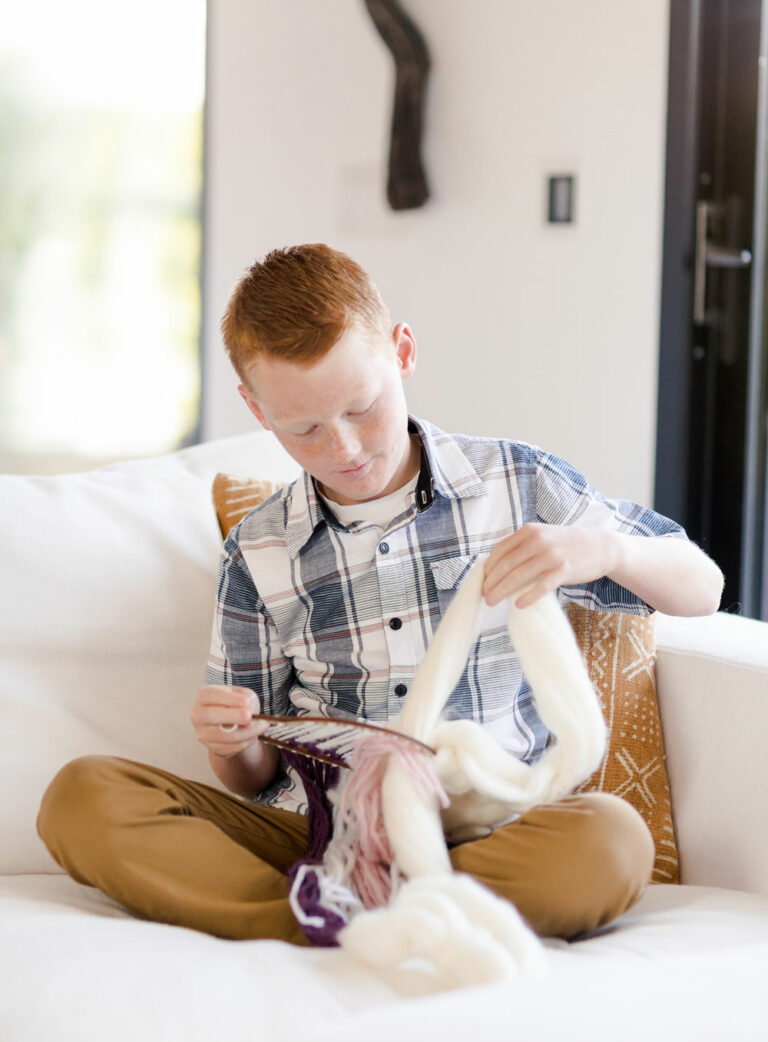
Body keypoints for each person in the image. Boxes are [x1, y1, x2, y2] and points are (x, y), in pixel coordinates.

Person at [38, 244, 723, 947]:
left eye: (362, 408)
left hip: (487, 827)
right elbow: (251, 777)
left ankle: (345, 917)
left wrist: (605, 549)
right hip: (314, 828)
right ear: (255, 408)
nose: (344, 448)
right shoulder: (259, 550)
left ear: (402, 352)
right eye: (303, 428)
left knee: (610, 840)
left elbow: (703, 587)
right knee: (82, 797)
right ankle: (329, 918)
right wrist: (232, 743)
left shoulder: (518, 482)